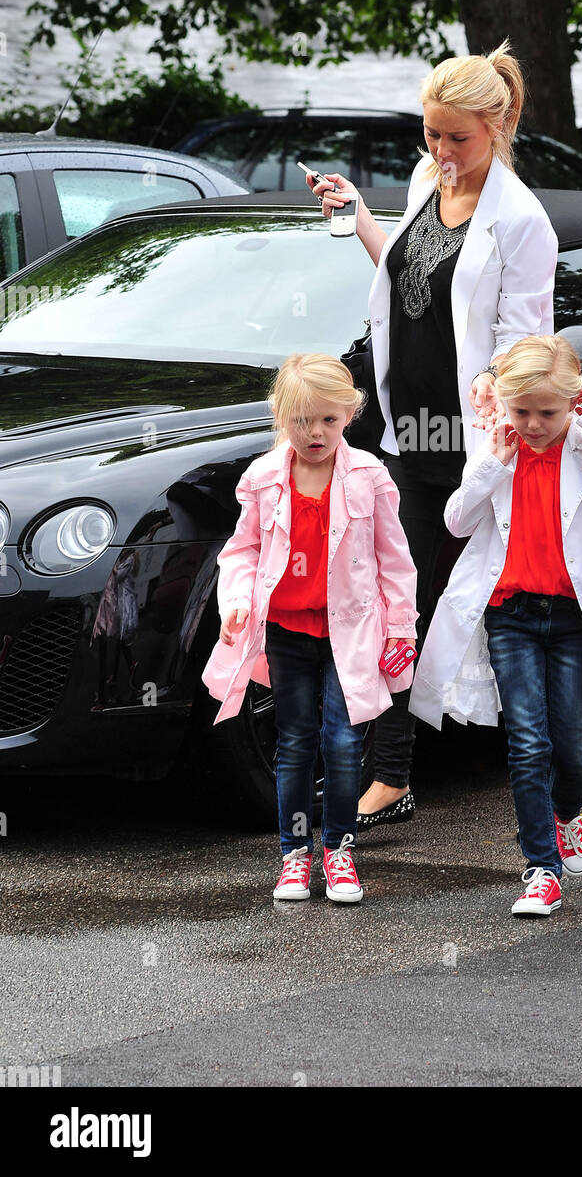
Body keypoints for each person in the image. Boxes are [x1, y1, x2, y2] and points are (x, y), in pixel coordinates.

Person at [304, 40, 559, 829]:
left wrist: (496, 395)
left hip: (474, 449)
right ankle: (390, 777)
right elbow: (412, 279)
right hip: (409, 438)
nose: (441, 152)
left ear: (499, 122)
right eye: (431, 134)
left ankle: (546, 797)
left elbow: (525, 349)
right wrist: (358, 222)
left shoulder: (522, 222)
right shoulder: (425, 182)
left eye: (457, 137)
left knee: (497, 613)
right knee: (399, 604)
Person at [408, 335, 582, 916]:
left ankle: (565, 817)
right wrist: (491, 464)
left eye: (548, 412)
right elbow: (457, 522)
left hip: (574, 618)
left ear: (573, 403)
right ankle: (540, 867)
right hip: (510, 615)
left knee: (576, 745)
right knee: (528, 740)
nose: (533, 425)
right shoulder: (495, 448)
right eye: (521, 412)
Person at [201, 354, 418, 904]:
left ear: (349, 413)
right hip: (288, 633)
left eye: (327, 419)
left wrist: (399, 630)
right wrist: (236, 602)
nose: (314, 433)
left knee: (344, 743)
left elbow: (395, 562)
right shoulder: (263, 478)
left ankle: (338, 850)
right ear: (282, 418)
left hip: (351, 635)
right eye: (301, 421)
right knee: (295, 742)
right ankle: (294, 854)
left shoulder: (369, 475)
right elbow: (242, 550)